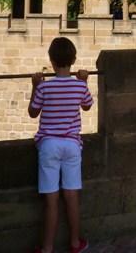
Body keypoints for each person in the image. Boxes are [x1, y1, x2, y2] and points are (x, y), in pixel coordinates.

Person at [29, 37, 93, 253]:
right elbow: (87, 106)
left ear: (52, 61)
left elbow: (33, 112)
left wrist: (34, 86)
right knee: (72, 195)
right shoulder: (77, 86)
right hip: (72, 145)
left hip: (49, 145)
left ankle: (47, 248)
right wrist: (84, 81)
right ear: (73, 60)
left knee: (51, 199)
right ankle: (75, 243)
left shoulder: (45, 88)